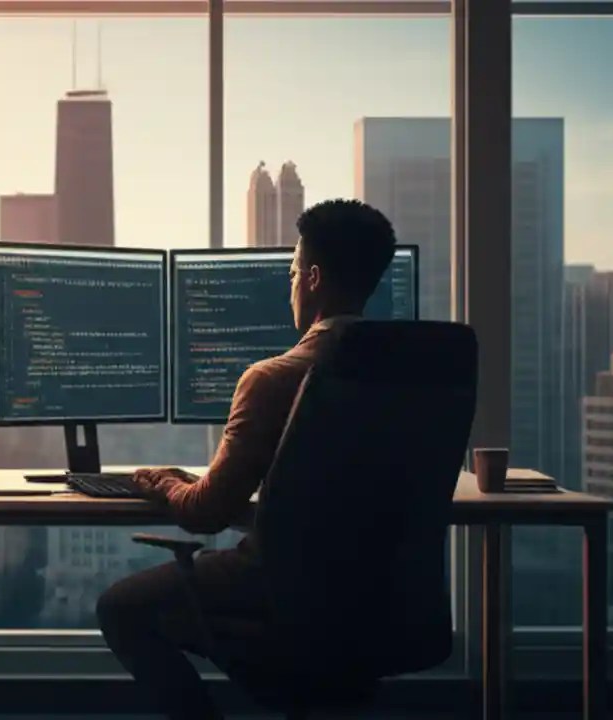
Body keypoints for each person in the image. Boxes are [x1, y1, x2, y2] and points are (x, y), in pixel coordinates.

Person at [95, 199, 399, 720]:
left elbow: (205, 514)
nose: (291, 284)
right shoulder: (405, 376)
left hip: (281, 591)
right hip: (381, 598)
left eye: (292, 272)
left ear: (313, 279)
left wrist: (164, 482)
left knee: (120, 608)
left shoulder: (274, 378)